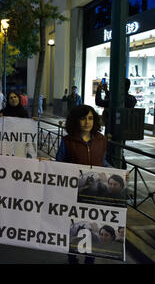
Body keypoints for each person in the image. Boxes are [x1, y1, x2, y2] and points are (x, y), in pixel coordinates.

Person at [56, 104, 109, 264]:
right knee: (74, 226)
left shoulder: (101, 139)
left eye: (91, 118)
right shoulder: (67, 141)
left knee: (92, 227)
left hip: (94, 194)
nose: (87, 122)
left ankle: (89, 259)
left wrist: (118, 173)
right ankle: (72, 256)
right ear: (75, 121)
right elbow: (59, 163)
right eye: (83, 118)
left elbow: (103, 162)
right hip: (73, 193)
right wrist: (45, 165)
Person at [95, 78, 136, 168]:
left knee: (110, 150)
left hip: (111, 129)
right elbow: (118, 99)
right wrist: (106, 91)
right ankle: (120, 168)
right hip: (124, 130)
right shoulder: (132, 99)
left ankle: (118, 169)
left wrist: (99, 89)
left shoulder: (116, 101)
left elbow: (98, 101)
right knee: (119, 150)